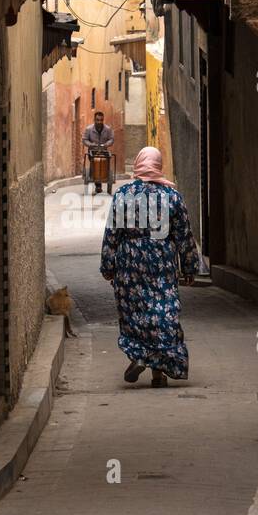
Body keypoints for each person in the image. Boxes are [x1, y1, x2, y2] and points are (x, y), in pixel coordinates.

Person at [100, 146, 200, 387]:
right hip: (162, 261)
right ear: (158, 165)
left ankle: (141, 355)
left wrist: (108, 266)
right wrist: (189, 267)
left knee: (136, 313)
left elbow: (112, 233)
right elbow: (183, 235)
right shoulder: (172, 197)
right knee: (163, 311)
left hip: (130, 261)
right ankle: (158, 372)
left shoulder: (123, 194)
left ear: (138, 164)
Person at [82, 110, 115, 193]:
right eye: (97, 120)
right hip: (93, 152)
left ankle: (104, 178)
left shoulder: (108, 129)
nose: (99, 122)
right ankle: (98, 185)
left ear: (103, 120)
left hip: (104, 151)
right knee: (95, 162)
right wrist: (91, 144)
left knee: (104, 162)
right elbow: (84, 140)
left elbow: (111, 139)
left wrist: (106, 144)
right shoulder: (89, 129)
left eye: (101, 120)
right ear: (94, 120)